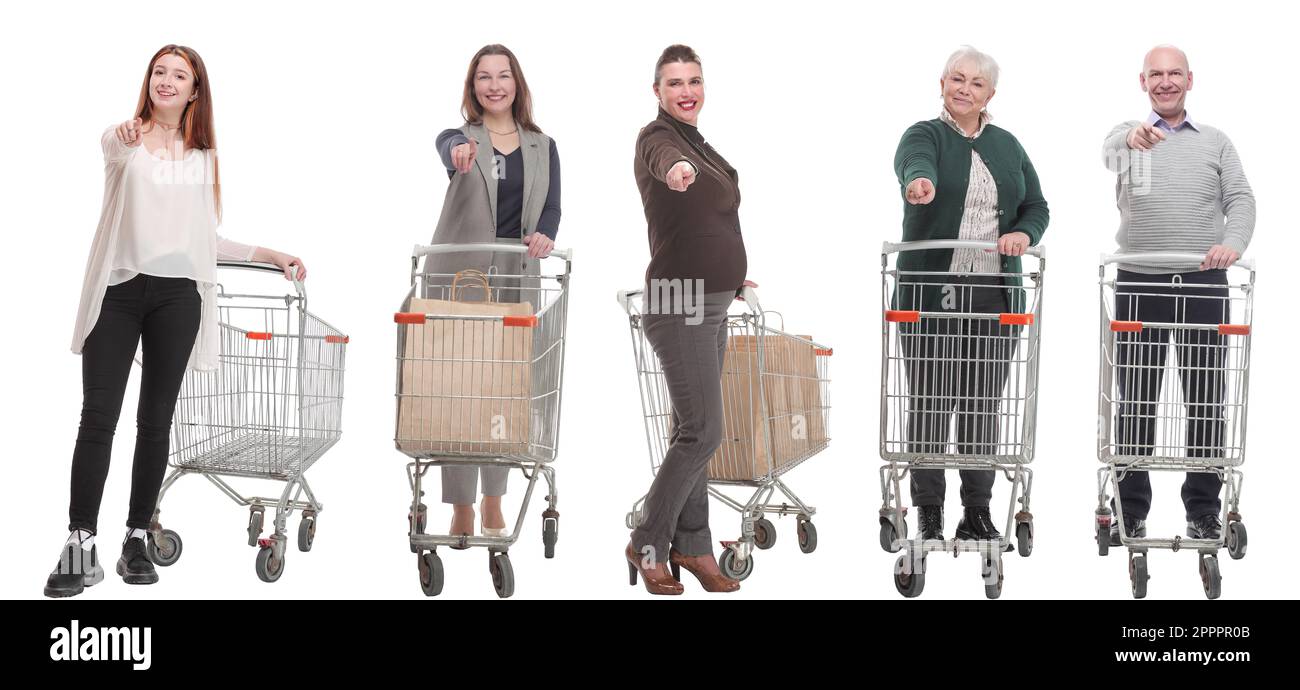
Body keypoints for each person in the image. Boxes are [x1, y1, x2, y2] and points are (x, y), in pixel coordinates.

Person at [48, 45, 306, 598]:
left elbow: (203, 242)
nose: (166, 81)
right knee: (98, 417)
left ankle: (137, 536)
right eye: (159, 72)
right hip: (117, 291)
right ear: (149, 82)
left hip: (177, 298)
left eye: (179, 75)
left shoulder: (202, 157)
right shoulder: (125, 140)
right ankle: (79, 543)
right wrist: (123, 137)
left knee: (156, 420)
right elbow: (112, 149)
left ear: (195, 90)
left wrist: (269, 254)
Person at [893, 45, 1049, 543]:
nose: (964, 88)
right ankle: (930, 509)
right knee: (931, 401)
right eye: (956, 79)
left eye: (975, 83)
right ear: (941, 83)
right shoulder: (925, 135)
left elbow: (1037, 205)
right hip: (930, 294)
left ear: (990, 94)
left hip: (993, 295)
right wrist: (920, 182)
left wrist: (1023, 235)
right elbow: (915, 163)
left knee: (982, 402)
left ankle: (977, 509)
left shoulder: (1007, 144)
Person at [1101, 44, 1255, 545]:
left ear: (1191, 80)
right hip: (1139, 281)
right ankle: (1130, 510)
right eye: (1155, 75)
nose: (1165, 82)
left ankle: (1204, 510)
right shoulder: (1128, 138)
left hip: (1202, 281)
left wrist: (1232, 244)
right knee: (1136, 401)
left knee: (1208, 400)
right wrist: (1132, 135)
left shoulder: (1215, 141)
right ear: (1142, 81)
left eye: (1174, 74)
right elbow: (1109, 153)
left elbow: (1241, 198)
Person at [626, 44, 754, 595]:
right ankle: (648, 541)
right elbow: (662, 161)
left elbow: (710, 218)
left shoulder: (697, 142)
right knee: (704, 432)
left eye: (694, 81)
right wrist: (675, 169)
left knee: (691, 430)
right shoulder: (660, 140)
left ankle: (695, 545)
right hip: (680, 302)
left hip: (712, 300)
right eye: (674, 83)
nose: (686, 91)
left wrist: (733, 275)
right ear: (657, 91)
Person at [428, 44, 560, 543]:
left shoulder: (543, 146)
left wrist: (544, 234)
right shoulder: (461, 139)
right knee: (460, 384)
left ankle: (493, 497)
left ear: (517, 83)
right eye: (484, 77)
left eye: (503, 76)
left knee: (505, 385)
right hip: (464, 271)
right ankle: (461, 503)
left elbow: (552, 208)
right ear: (473, 87)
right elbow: (445, 146)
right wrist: (458, 153)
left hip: (516, 271)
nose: (494, 85)